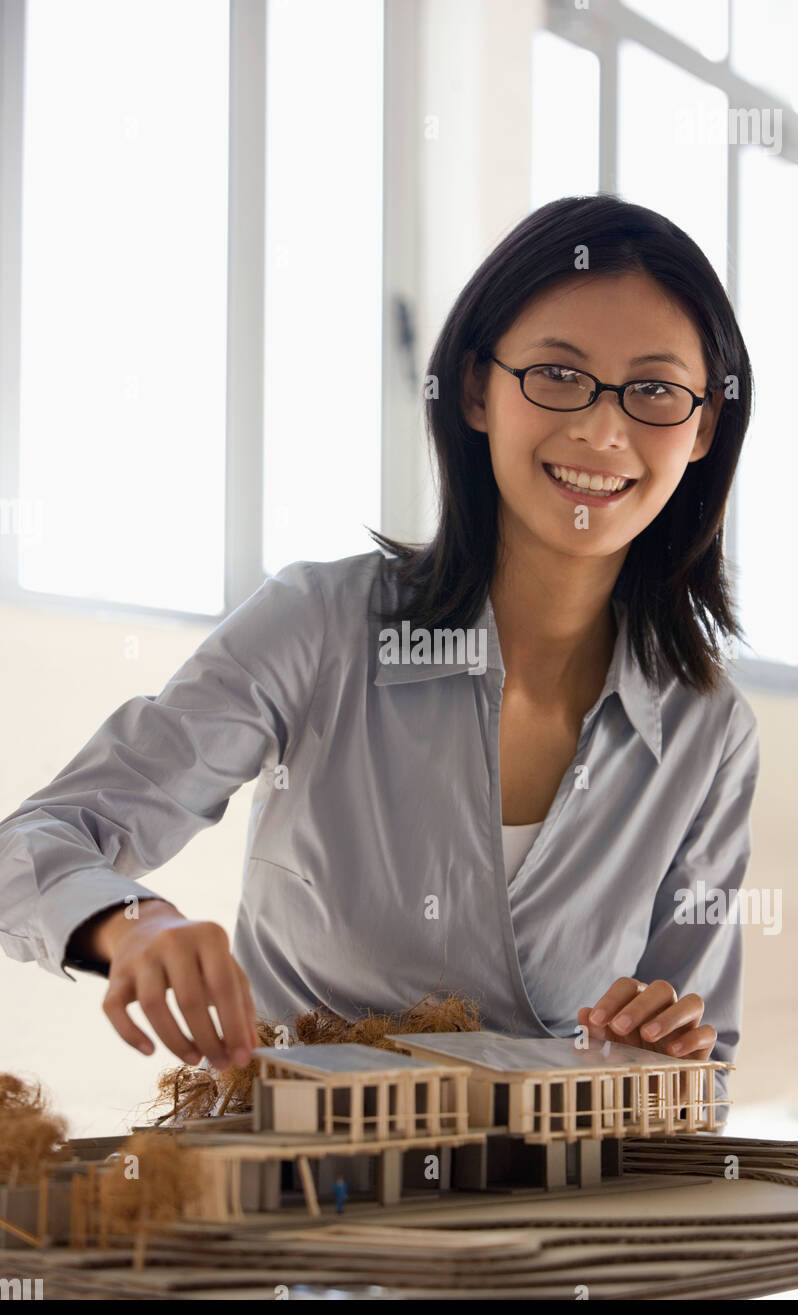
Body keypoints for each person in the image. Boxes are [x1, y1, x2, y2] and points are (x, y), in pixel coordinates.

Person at [0, 195, 758, 1122]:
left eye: (652, 390)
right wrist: (132, 924)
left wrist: (647, 1066)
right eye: (559, 375)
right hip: (293, 1219)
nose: (604, 431)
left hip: (547, 1240)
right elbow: (36, 841)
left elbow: (704, 1076)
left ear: (704, 425)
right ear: (476, 390)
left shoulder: (708, 731)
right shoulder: (320, 623)